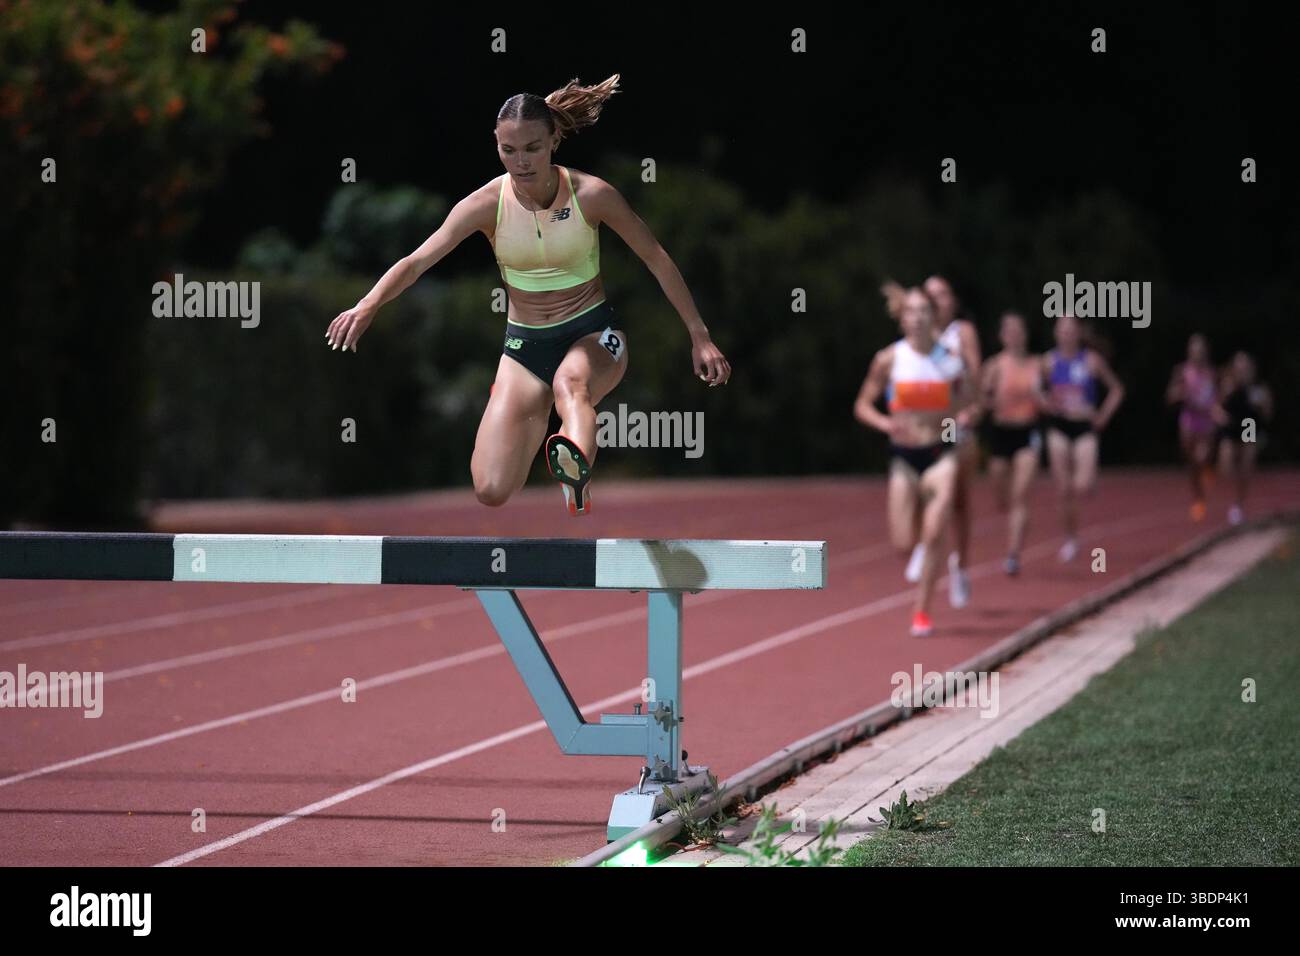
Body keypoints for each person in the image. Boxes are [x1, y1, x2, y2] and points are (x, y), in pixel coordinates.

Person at [325, 75, 731, 515]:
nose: (520, 162)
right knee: (491, 489)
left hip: (593, 335)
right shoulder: (484, 204)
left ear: (555, 140)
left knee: (570, 385)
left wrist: (699, 335)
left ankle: (576, 472)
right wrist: (367, 305)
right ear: (496, 145)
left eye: (532, 148)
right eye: (508, 150)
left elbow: (657, 259)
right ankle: (542, 432)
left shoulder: (592, 195)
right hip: (523, 347)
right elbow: (416, 262)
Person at [855, 283, 973, 637]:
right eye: (912, 311)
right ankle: (919, 547)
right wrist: (885, 422)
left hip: (940, 454)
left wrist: (963, 416)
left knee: (936, 531)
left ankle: (921, 611)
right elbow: (861, 405)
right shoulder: (889, 359)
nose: (919, 317)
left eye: (925, 311)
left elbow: (972, 399)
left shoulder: (950, 361)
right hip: (904, 458)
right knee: (902, 542)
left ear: (933, 317)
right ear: (902, 318)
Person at [917, 275, 980, 608]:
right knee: (922, 487)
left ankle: (961, 566)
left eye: (943, 294)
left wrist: (971, 408)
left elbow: (974, 373)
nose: (937, 300)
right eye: (931, 295)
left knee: (959, 502)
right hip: (926, 425)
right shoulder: (917, 333)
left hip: (956, 423)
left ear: (952, 300)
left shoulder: (962, 332)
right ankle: (923, 545)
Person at [1041, 314, 1124, 561]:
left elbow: (1117, 389)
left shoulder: (1091, 361)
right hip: (1059, 427)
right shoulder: (1048, 361)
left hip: (1084, 427)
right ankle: (1070, 539)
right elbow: (1035, 389)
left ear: (1078, 332)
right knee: (1064, 489)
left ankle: (1089, 480)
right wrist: (1047, 403)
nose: (1066, 333)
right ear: (1056, 333)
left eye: (1070, 329)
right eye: (1061, 329)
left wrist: (1103, 415)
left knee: (1082, 485)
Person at [980, 311, 1043, 576]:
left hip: (1027, 431)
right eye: (1009, 330)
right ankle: (1012, 519)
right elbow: (980, 399)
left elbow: (1053, 389)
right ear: (1002, 336)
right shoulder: (994, 366)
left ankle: (1013, 553)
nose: (1015, 335)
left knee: (1020, 496)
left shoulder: (1038, 364)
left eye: (1019, 330)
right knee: (1002, 498)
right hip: (1000, 433)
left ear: (1025, 335)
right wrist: (993, 404)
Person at [1166, 334, 1223, 522]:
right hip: (1189, 421)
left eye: (1200, 349)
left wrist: (1218, 411)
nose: (1197, 353)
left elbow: (1219, 397)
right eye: (1193, 349)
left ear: (1205, 351)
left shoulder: (1212, 373)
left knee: (1202, 457)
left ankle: (1207, 468)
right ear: (1189, 351)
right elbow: (1170, 396)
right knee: (1192, 463)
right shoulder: (1182, 371)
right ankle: (1198, 499)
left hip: (1207, 422)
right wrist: (1179, 393)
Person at [1217, 351, 1273, 525]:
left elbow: (1268, 414)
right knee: (1225, 465)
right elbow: (1216, 406)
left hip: (1249, 427)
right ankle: (1231, 495)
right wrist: (1221, 415)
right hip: (1232, 428)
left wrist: (1263, 404)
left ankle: (1238, 504)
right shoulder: (1228, 385)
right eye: (1239, 367)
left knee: (1246, 467)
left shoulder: (1259, 390)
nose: (1242, 371)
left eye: (1246, 367)